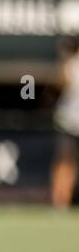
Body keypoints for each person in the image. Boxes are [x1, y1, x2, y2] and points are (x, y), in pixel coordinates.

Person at [52, 37, 79, 209]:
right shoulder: (70, 66)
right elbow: (57, 86)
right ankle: (60, 202)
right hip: (68, 123)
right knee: (64, 163)